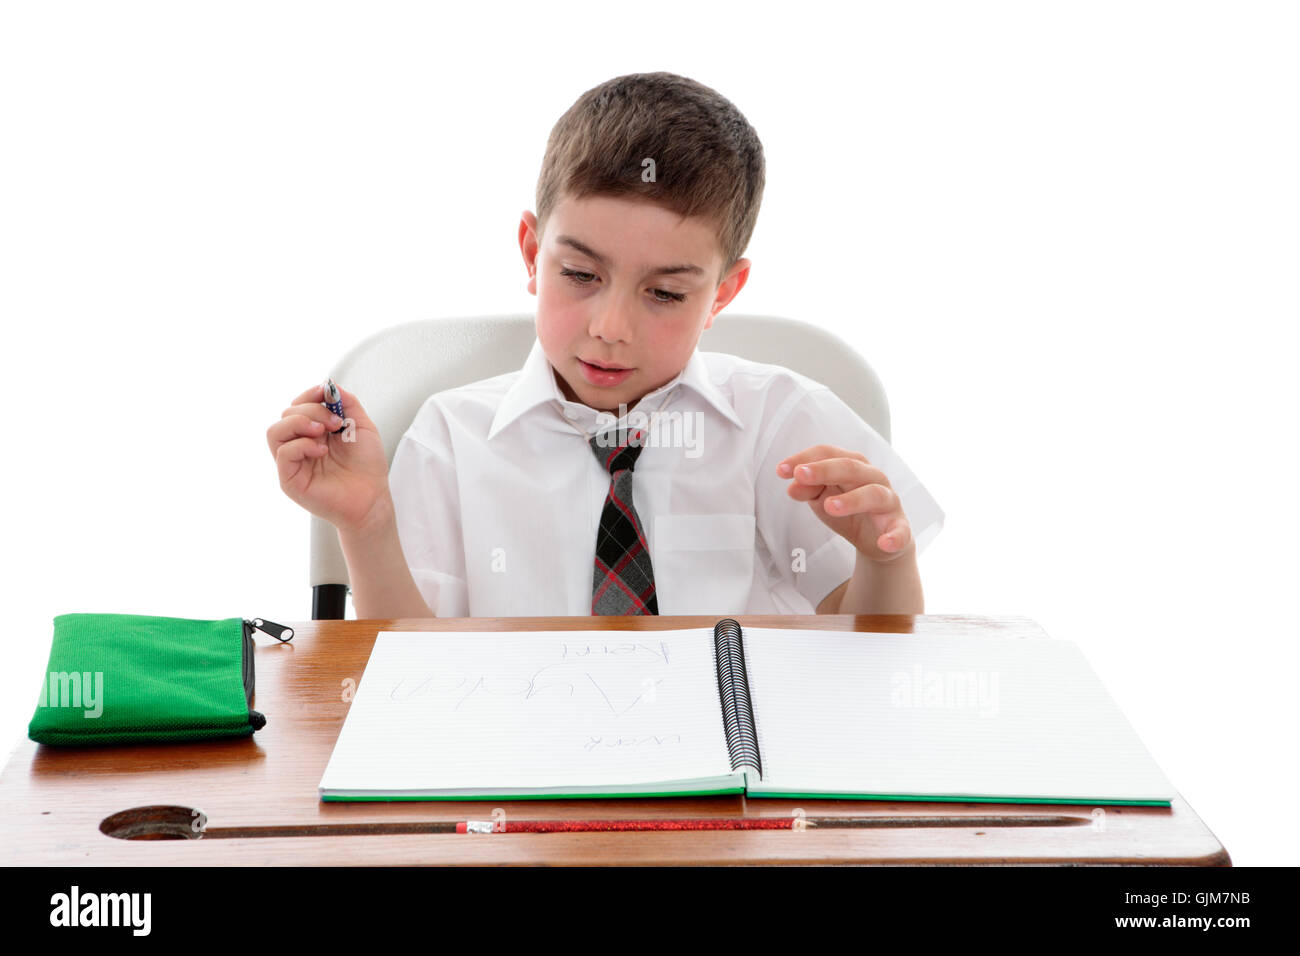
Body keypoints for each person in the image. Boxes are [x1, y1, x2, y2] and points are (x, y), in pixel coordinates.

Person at [267, 72, 943, 619]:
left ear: (724, 294)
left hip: (746, 781)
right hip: (518, 776)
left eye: (666, 294)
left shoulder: (778, 421)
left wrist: (884, 561)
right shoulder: (451, 437)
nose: (611, 327)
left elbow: (872, 654)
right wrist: (369, 526)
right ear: (533, 253)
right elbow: (408, 670)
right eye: (581, 275)